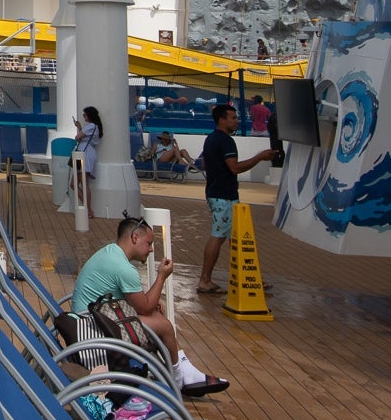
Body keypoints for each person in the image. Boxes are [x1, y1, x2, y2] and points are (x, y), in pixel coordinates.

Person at [69, 216, 229, 397]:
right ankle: (179, 377)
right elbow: (144, 307)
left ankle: (181, 370)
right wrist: (162, 276)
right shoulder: (123, 268)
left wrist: (150, 304)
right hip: (91, 329)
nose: (151, 249)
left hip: (88, 319)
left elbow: (138, 302)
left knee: (156, 315)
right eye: (149, 243)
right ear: (135, 238)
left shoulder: (110, 252)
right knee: (164, 326)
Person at [197, 102, 275, 293]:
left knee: (235, 237)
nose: (237, 121)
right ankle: (205, 280)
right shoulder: (226, 141)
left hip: (217, 192)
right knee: (219, 235)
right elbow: (235, 168)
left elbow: (206, 164)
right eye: (233, 118)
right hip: (224, 195)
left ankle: (247, 276)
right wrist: (259, 157)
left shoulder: (211, 139)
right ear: (222, 120)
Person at [77, 105, 102, 214]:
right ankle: (88, 208)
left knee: (81, 183)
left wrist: (80, 129)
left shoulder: (91, 126)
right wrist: (80, 128)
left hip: (84, 153)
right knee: (82, 182)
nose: (83, 116)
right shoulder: (95, 127)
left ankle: (88, 209)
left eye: (84, 115)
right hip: (86, 152)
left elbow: (78, 137)